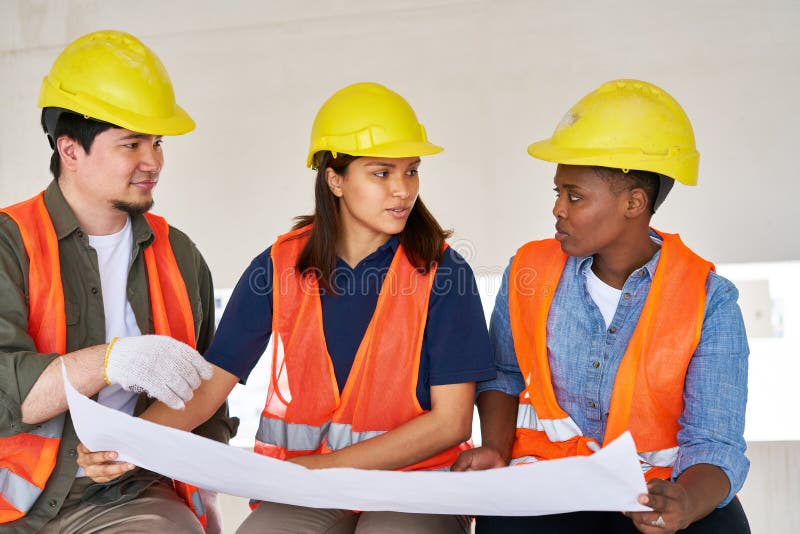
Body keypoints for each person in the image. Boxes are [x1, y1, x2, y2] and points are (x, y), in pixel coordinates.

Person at [80, 81, 496, 533]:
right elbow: (209, 386)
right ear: (335, 180)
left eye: (411, 171)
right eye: (382, 173)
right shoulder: (278, 266)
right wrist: (128, 442)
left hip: (414, 483)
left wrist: (324, 468)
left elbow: (450, 423)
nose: (403, 190)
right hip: (309, 485)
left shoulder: (443, 273)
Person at [452, 79, 751, 533]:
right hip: (549, 481)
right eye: (557, 193)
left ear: (634, 203)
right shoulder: (529, 271)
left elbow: (715, 441)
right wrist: (494, 447)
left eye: (575, 196)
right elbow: (503, 373)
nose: (558, 209)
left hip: (657, 488)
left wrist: (686, 501)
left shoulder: (710, 300)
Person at [0, 30, 237, 533]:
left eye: (157, 142)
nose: (153, 161)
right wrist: (110, 362)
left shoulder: (180, 256)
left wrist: (199, 482)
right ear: (70, 149)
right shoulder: (10, 245)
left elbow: (210, 395)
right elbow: (5, 392)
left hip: (125, 498)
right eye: (131, 143)